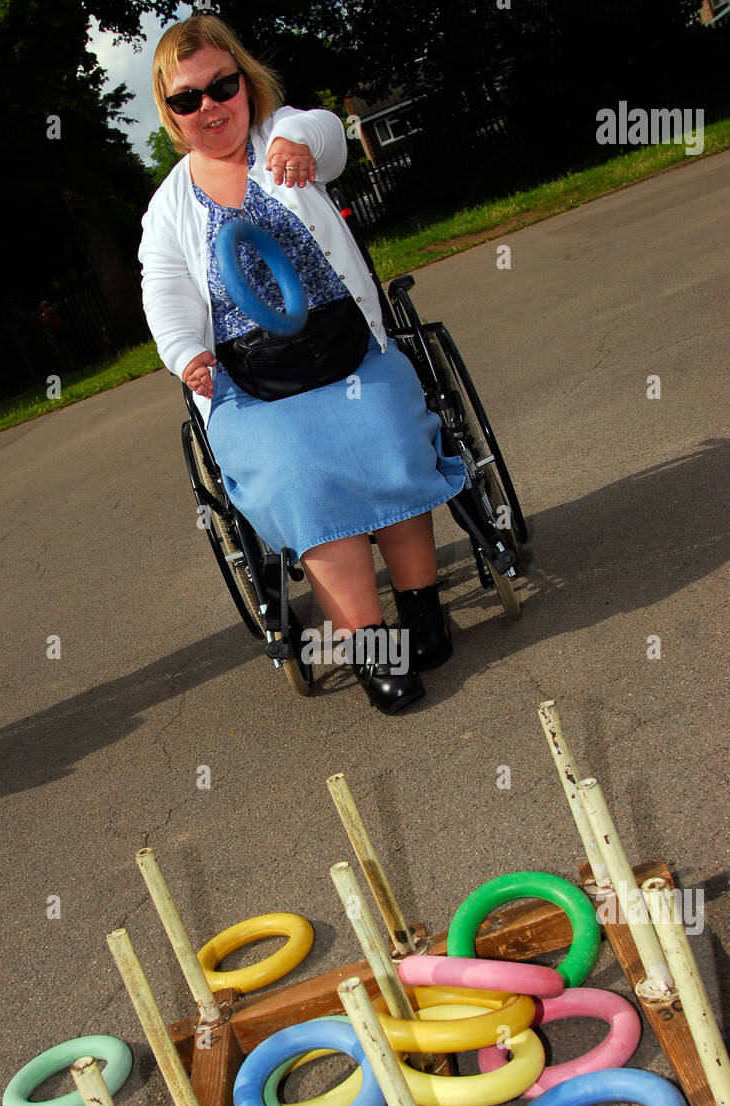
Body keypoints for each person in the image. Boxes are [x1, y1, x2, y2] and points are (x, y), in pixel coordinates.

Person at [139, 15, 467, 713]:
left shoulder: (283, 136)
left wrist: (296, 142)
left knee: (391, 436)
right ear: (170, 115)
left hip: (344, 348)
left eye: (222, 86)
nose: (210, 106)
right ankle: (374, 644)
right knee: (301, 478)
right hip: (250, 381)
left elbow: (327, 132)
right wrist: (186, 351)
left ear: (244, 82)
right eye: (187, 99)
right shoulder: (168, 208)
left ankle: (421, 607)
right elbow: (164, 289)